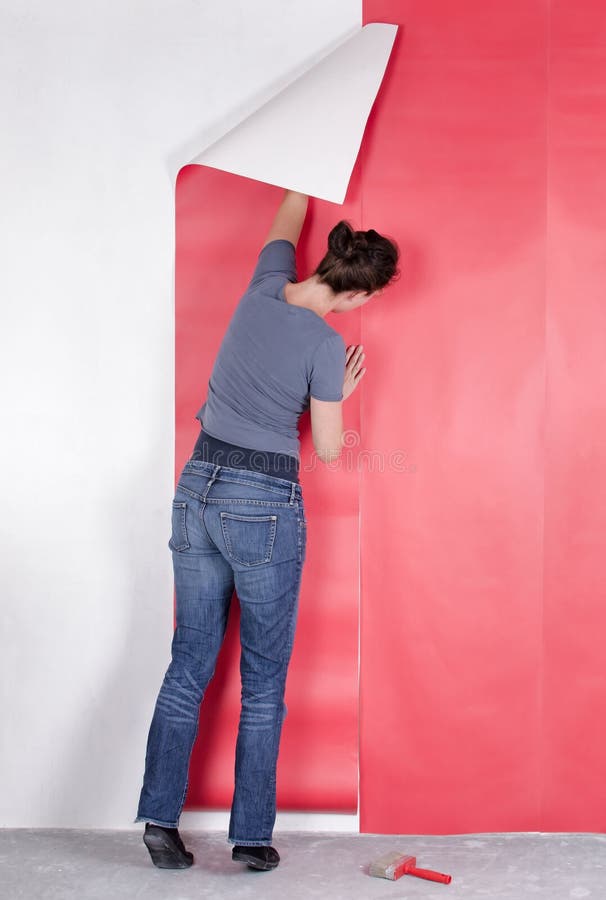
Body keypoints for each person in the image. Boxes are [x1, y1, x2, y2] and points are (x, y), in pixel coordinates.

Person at [134, 189, 400, 872]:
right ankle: (249, 837)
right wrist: (340, 386)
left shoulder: (266, 284)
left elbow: (284, 217)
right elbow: (333, 450)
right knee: (264, 678)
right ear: (360, 296)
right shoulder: (324, 342)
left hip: (196, 489)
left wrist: (296, 175)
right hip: (263, 503)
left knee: (189, 663)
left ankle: (160, 823)